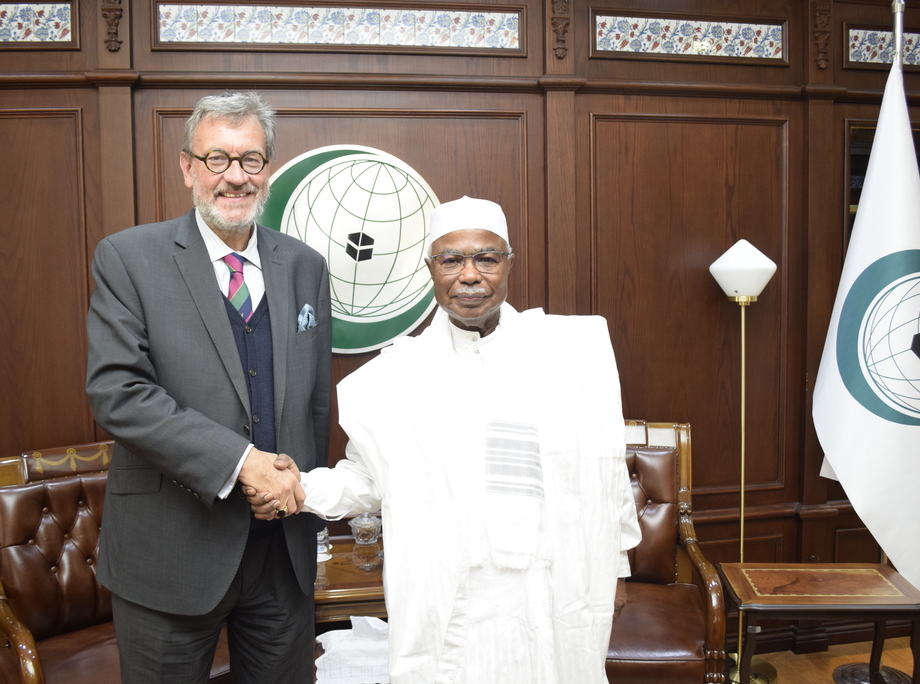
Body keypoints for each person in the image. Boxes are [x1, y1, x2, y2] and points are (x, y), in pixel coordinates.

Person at [247, 196, 642, 684]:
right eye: (451, 260)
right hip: (451, 596)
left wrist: (616, 567)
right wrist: (299, 487)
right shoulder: (394, 377)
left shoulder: (570, 354)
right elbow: (368, 480)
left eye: (486, 258)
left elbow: (605, 468)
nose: (470, 275)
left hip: (551, 587)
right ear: (431, 269)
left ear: (508, 264)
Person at [86, 91, 331, 684]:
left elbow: (317, 403)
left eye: (250, 160)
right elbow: (118, 392)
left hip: (281, 558)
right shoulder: (128, 258)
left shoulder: (305, 266)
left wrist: (297, 493)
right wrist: (244, 464)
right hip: (170, 554)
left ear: (267, 168)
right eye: (217, 160)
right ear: (188, 167)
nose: (235, 177)